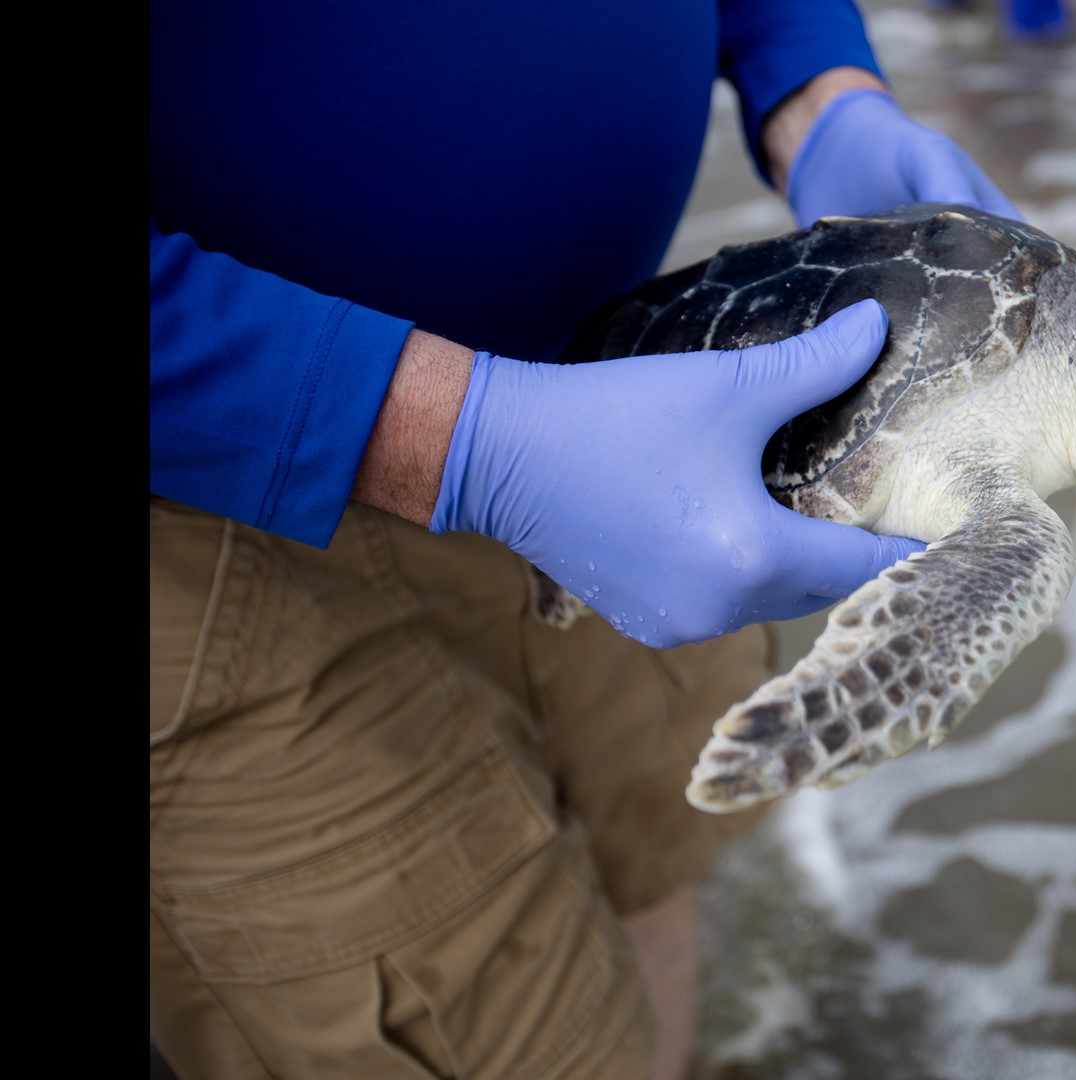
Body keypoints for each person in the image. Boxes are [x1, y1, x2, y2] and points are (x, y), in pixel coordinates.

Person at [149, 3, 1018, 1076]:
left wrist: (819, 90)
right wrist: (464, 440)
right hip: (221, 487)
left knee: (653, 864)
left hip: (636, 388)